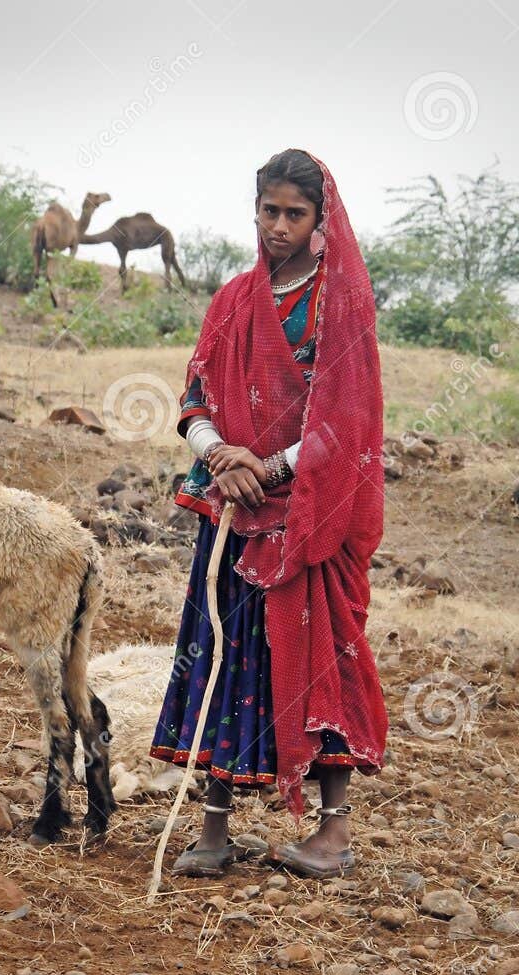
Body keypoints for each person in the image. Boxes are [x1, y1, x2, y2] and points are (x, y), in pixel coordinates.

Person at [149, 148, 389, 879]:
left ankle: (333, 834)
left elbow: (340, 420)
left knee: (318, 656)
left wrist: (272, 467)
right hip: (231, 511)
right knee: (221, 654)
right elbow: (193, 399)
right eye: (269, 211)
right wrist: (222, 455)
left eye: (295, 213)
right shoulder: (231, 301)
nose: (279, 225)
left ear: (321, 220)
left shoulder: (337, 304)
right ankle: (214, 830)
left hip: (306, 515)